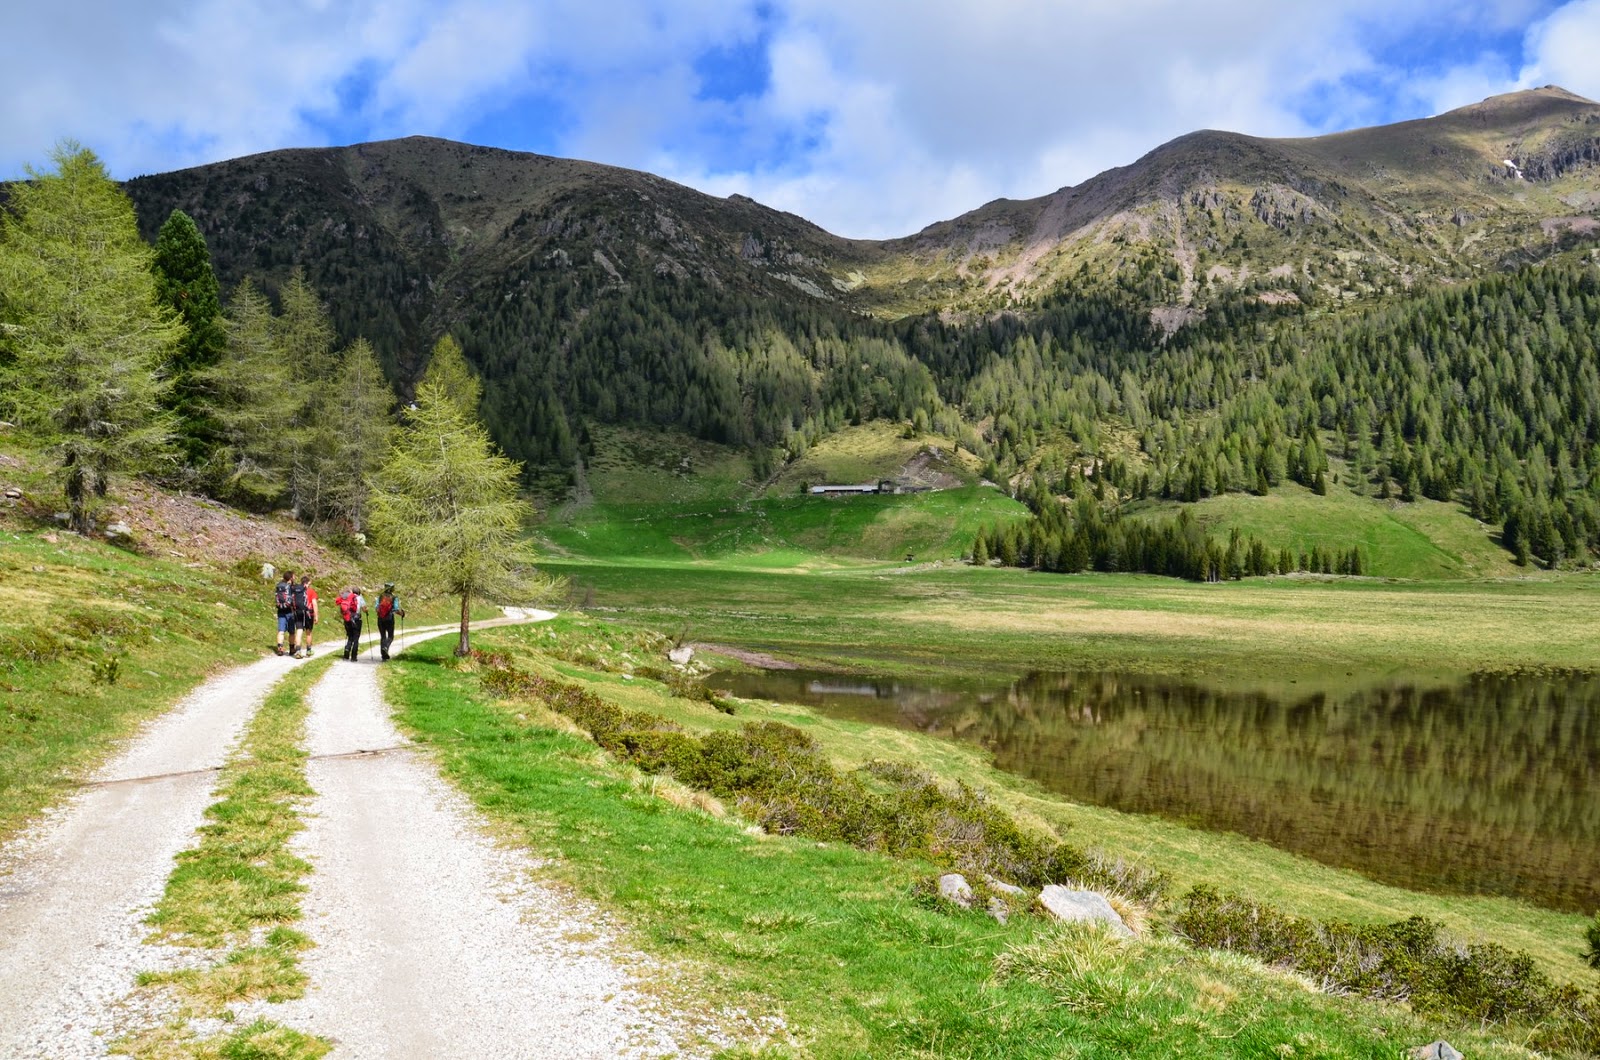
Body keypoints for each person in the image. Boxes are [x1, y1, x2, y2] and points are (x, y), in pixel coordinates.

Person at [375, 582, 406, 660]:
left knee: (383, 636)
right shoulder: (394, 597)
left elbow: (376, 608)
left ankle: (383, 655)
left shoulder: (380, 597)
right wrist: (402, 614)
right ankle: (385, 648)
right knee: (390, 636)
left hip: (380, 619)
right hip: (389, 618)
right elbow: (395, 609)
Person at [338, 585, 366, 661]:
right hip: (357, 619)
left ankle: (347, 651)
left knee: (350, 636)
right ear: (359, 593)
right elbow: (364, 609)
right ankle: (354, 656)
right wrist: (366, 612)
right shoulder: (360, 598)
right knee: (356, 638)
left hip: (347, 619)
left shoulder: (348, 597)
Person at [274, 569, 297, 656]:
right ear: (290, 578)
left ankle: (280, 648)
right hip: (290, 611)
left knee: (281, 631)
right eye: (294, 576)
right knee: (292, 632)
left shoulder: (279, 585)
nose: (294, 578)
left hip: (280, 610)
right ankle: (292, 648)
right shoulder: (291, 587)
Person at [300, 574, 319, 656]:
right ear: (306, 583)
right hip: (309, 614)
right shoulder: (311, 591)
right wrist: (316, 616)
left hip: (299, 613)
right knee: (308, 632)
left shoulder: (297, 591)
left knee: (299, 631)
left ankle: (297, 650)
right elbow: (314, 604)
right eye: (309, 583)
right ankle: (308, 650)